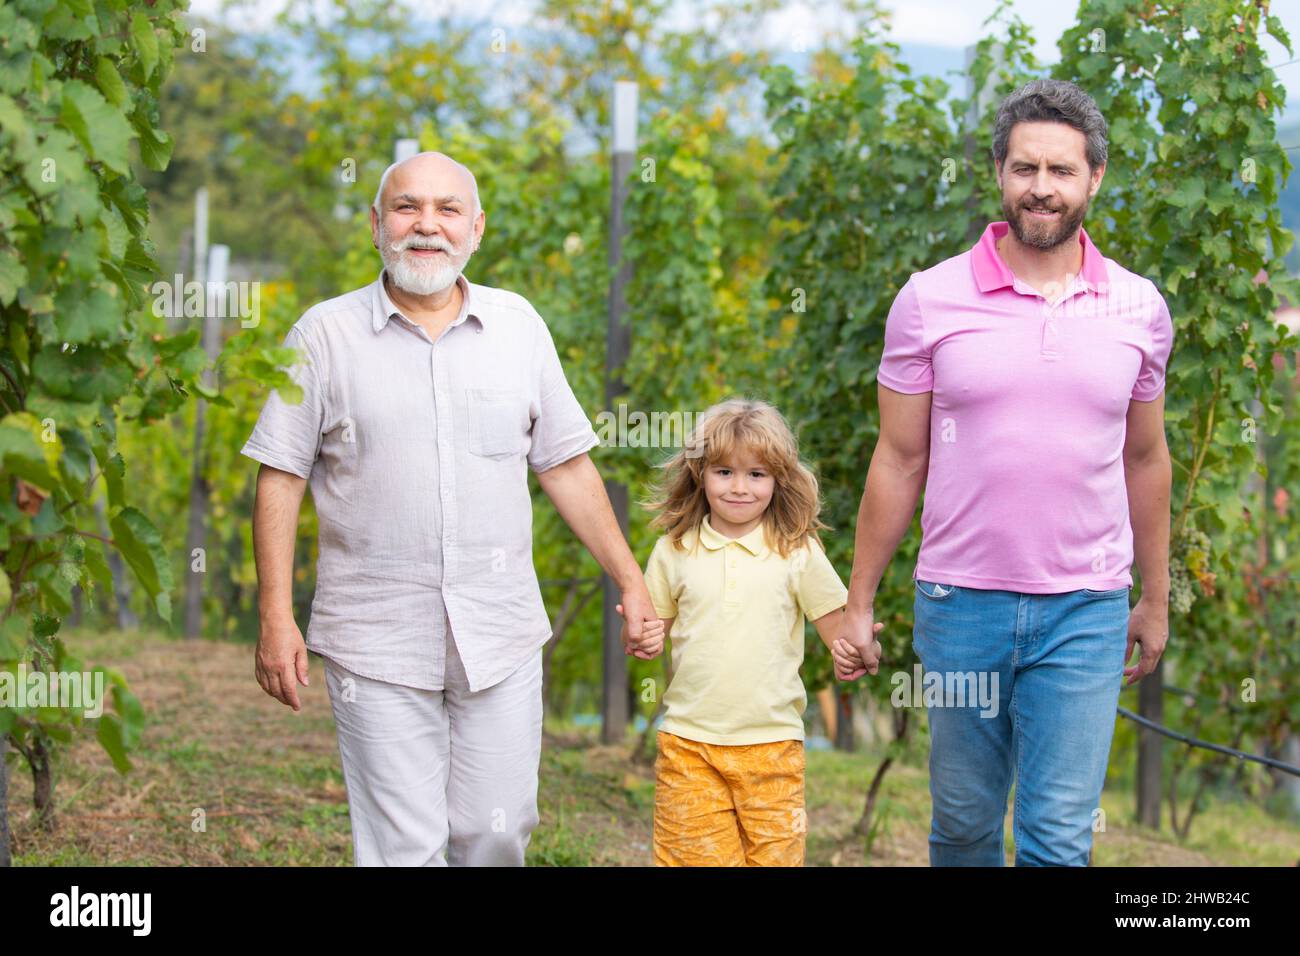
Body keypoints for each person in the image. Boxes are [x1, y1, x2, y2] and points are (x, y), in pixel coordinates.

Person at [241, 150, 662, 866]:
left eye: (446, 210)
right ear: (376, 225)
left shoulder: (519, 326)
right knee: (404, 847)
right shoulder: (320, 336)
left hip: (498, 630)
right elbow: (280, 477)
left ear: (476, 228)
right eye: (407, 208)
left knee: (496, 833)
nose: (425, 226)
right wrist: (275, 617)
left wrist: (630, 578)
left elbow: (564, 463)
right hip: (373, 636)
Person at [839, 79, 1174, 866]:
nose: (1042, 189)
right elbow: (898, 457)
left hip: (1087, 610)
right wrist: (857, 602)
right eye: (1025, 169)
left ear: (1095, 178)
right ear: (999, 173)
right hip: (960, 606)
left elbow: (1146, 457)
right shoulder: (929, 301)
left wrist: (1153, 600)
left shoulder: (1138, 308)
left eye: (1061, 171)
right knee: (962, 826)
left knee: (1058, 838)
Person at [632, 398, 868, 866]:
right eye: (724, 472)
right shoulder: (673, 550)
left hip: (774, 747)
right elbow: (648, 634)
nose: (740, 487)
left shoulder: (796, 551)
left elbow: (840, 632)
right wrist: (639, 637)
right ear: (700, 474)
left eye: (756, 474)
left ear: (779, 479)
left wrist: (859, 649)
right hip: (689, 745)